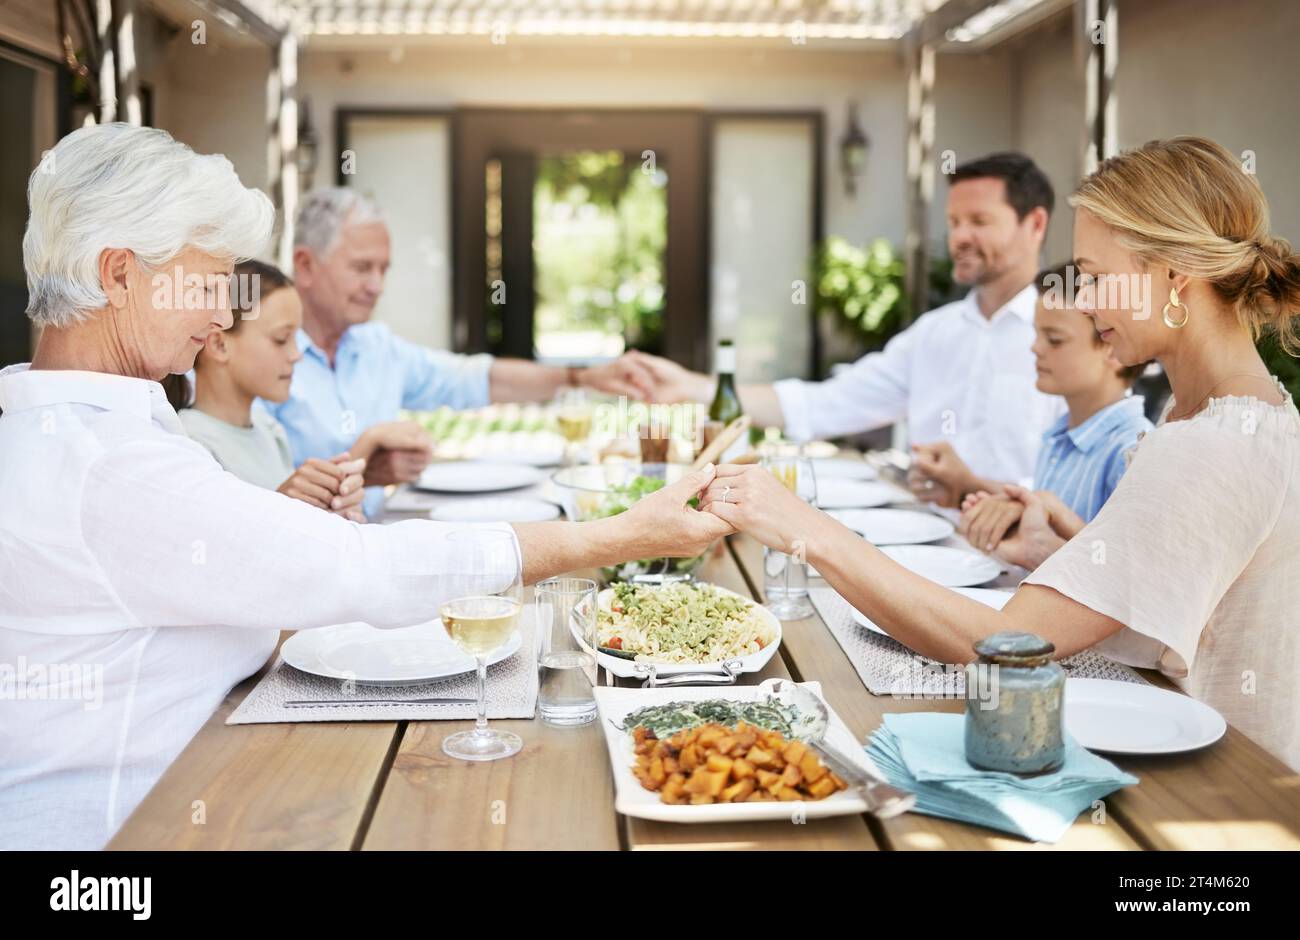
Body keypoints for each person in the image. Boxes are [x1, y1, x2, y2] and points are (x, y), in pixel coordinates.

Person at [0, 123, 732, 849]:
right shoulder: (105, 464)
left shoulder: (90, 426)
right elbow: (360, 568)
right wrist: (622, 534)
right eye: (208, 285)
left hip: (208, 785)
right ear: (120, 274)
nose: (222, 315)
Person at [701, 137, 1300, 771]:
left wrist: (802, 526)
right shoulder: (1228, 415)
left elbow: (1001, 643)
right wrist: (1069, 554)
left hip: (1223, 794)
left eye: (1094, 278)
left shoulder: (1210, 445)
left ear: (1175, 276)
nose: (1086, 300)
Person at [631, 152, 1066, 504]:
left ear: (1036, 225)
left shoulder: (1075, 337)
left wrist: (974, 488)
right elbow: (825, 404)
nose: (960, 238)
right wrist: (693, 387)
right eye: (953, 223)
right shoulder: (935, 333)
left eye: (979, 221)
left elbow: (1086, 489)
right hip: (922, 550)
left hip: (1026, 574)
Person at [263, 188, 664, 516]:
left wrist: (581, 377)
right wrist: (363, 466)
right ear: (306, 265)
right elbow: (263, 499)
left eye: (384, 269)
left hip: (371, 544)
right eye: (362, 267)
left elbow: (476, 378)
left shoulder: (375, 346)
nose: (376, 285)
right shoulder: (260, 360)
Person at [908, 262, 1153, 559]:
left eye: (1054, 339)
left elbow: (1125, 577)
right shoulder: (1060, 433)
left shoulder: (1133, 453)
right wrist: (965, 489)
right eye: (1036, 334)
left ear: (1113, 346)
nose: (1035, 348)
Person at [160, 259, 366, 520]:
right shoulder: (189, 442)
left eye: (296, 339)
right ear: (219, 345)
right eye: (281, 339)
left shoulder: (270, 430)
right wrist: (283, 506)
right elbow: (211, 542)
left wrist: (331, 512)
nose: (296, 355)